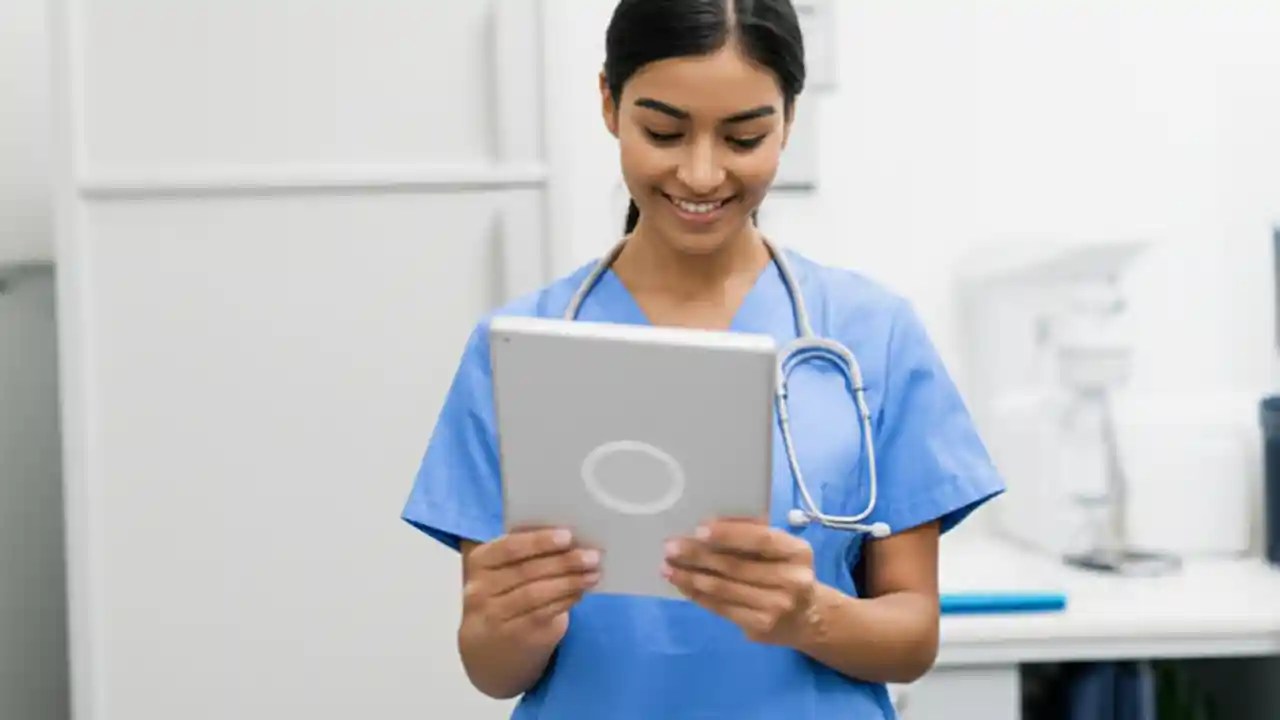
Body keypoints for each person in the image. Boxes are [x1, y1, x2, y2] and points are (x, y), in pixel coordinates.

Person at [400, 1, 1005, 717]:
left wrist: (809, 615)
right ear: (607, 103)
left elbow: (914, 635)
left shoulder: (870, 335)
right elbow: (493, 669)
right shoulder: (518, 347)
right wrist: (511, 623)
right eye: (663, 131)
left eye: (745, 137)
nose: (700, 173)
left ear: (788, 120)